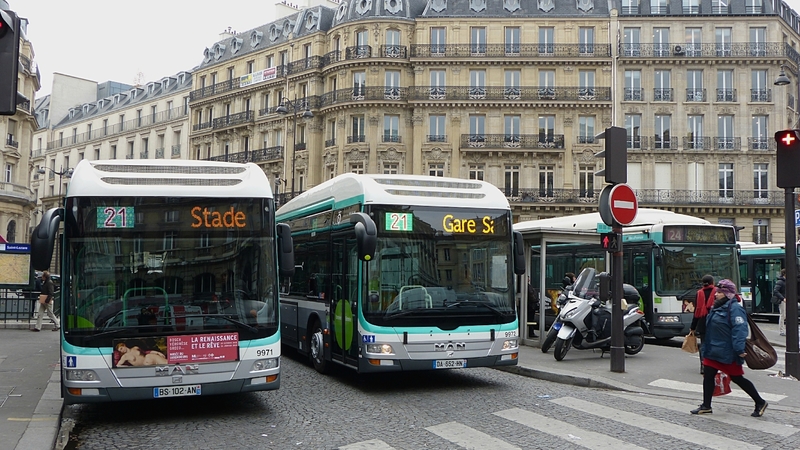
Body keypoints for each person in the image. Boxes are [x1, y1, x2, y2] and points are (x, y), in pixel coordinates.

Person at [691, 279, 768, 417]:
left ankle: (760, 402)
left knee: (737, 378)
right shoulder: (716, 307)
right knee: (708, 375)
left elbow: (740, 330)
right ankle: (706, 405)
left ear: (728, 294)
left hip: (727, 351)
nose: (716, 294)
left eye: (719, 292)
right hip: (713, 349)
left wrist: (739, 349)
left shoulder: (735, 309)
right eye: (717, 292)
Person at [690, 274, 716, 374]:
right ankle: (713, 365)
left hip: (702, 323)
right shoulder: (717, 292)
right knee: (714, 344)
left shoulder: (699, 293)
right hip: (714, 322)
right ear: (712, 282)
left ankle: (703, 365)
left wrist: (693, 326)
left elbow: (696, 312)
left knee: (704, 344)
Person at [773, 269, 787, 336]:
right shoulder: (780, 281)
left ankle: (784, 329)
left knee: (786, 315)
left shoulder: (785, 281)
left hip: (786, 299)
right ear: (784, 274)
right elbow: (776, 290)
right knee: (783, 315)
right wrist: (782, 298)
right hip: (783, 300)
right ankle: (781, 330)